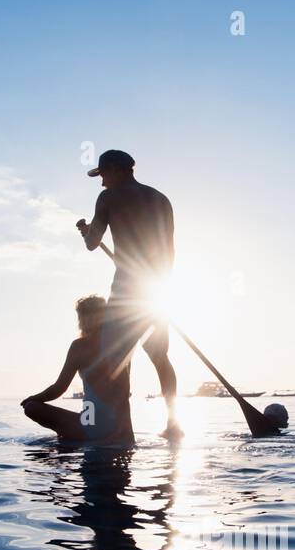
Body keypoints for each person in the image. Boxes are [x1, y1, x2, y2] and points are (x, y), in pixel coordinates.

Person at [75, 149, 182, 437]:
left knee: (116, 358)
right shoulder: (161, 199)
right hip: (158, 288)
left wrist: (86, 231)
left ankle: (122, 430)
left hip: (127, 290)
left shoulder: (109, 198)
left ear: (115, 169)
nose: (101, 183)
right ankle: (174, 424)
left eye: (103, 175)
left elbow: (92, 243)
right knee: (160, 357)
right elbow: (170, 250)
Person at [21, 295, 134, 443]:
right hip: (121, 431)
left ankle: (70, 439)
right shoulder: (121, 346)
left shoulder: (79, 347)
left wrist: (33, 398)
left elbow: (59, 389)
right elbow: (124, 393)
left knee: (31, 407)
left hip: (91, 428)